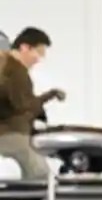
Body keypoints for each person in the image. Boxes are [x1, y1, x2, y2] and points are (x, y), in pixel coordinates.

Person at [0, 27, 64, 180]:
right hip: (10, 135)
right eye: (38, 52)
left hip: (14, 133)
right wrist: (49, 96)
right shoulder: (14, 70)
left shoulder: (11, 69)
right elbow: (22, 106)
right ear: (24, 48)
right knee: (41, 174)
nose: (39, 59)